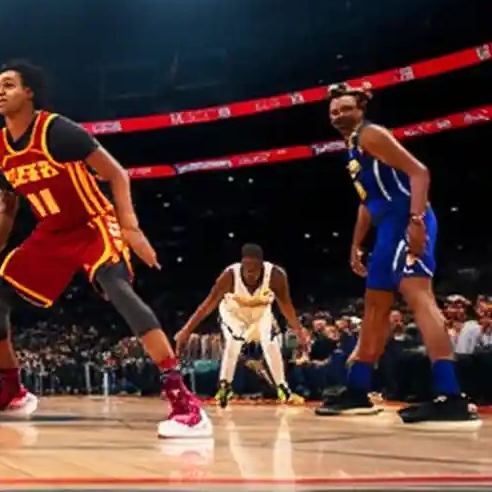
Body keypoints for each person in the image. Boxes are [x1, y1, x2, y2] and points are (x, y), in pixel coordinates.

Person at [0, 60, 209, 438]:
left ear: (29, 92)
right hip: (51, 232)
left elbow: (116, 172)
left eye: (9, 85)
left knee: (117, 289)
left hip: (93, 223)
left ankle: (184, 402)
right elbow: (6, 208)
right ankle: (13, 391)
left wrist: (130, 228)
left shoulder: (56, 130)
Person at [316, 83, 478, 425]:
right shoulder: (352, 148)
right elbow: (367, 202)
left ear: (360, 109)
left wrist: (416, 222)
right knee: (375, 306)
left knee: (418, 295)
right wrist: (356, 244)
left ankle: (451, 396)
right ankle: (358, 390)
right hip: (388, 227)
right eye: (333, 111)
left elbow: (420, 172)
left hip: (407, 217)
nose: (339, 115)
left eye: (345, 108)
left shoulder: (371, 135)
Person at [174, 243, 310, 408]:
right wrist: (186, 330)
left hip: (260, 313)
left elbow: (286, 306)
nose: (251, 273)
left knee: (270, 342)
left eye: (255, 268)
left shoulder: (276, 275)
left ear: (262, 265)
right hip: (233, 314)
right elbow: (207, 305)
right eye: (247, 267)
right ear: (242, 264)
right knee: (234, 340)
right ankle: (225, 387)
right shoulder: (229, 275)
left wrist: (300, 332)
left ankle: (283, 388)